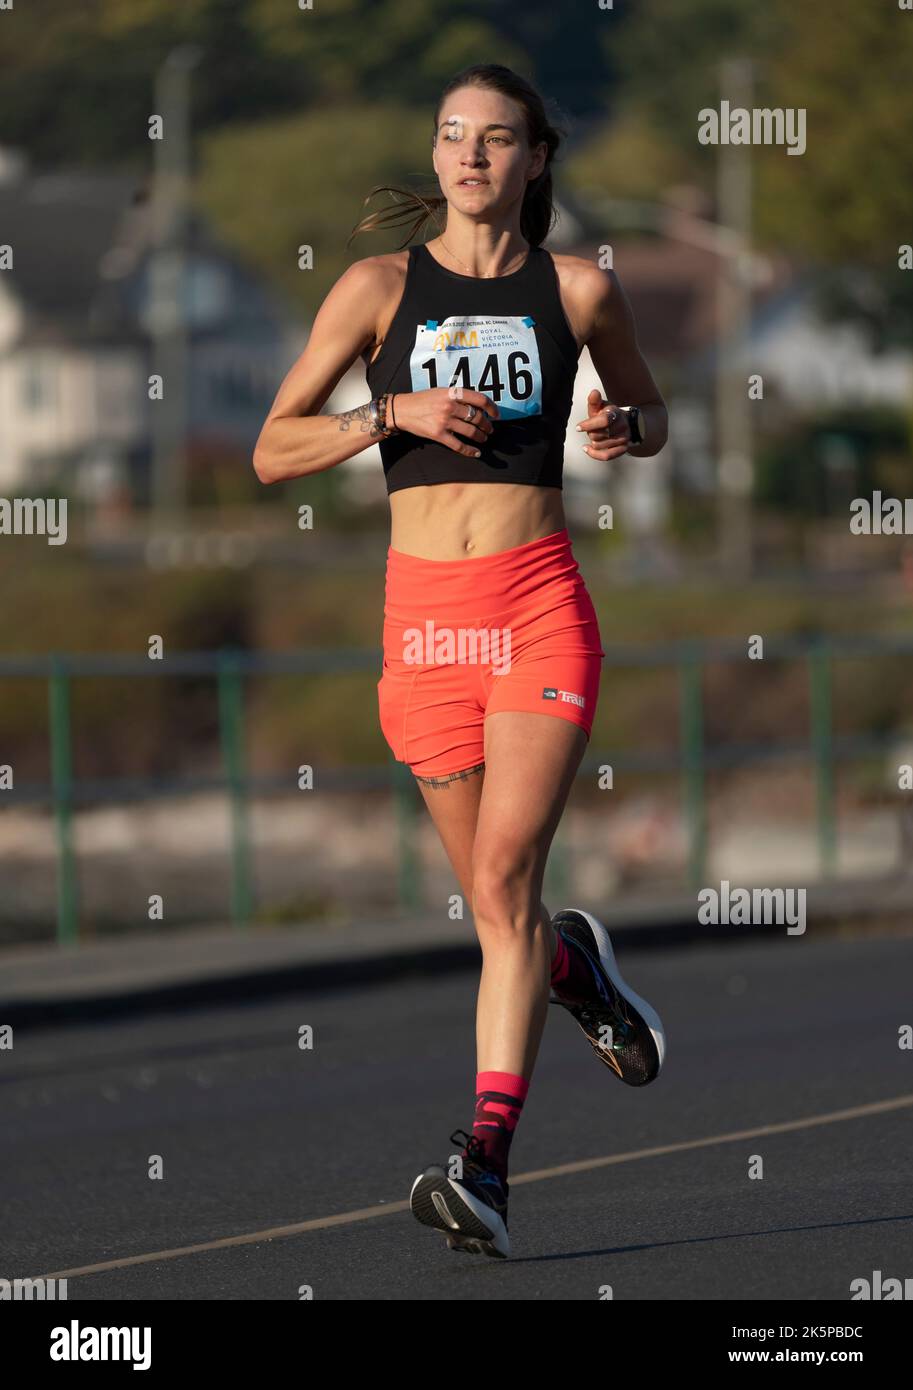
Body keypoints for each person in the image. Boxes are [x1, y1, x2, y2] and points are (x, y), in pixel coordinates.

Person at [254, 63, 668, 1260]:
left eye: (496, 140)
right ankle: (573, 967)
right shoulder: (377, 290)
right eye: (451, 137)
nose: (470, 157)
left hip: (536, 605)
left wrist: (616, 429)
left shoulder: (580, 290)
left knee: (498, 880)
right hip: (421, 624)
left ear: (537, 159)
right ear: (434, 156)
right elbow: (274, 450)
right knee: (500, 910)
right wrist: (394, 414)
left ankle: (482, 1161)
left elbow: (650, 415)